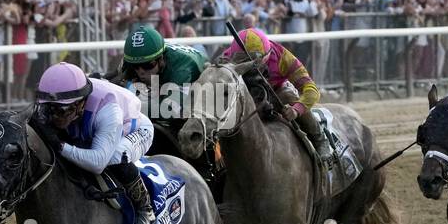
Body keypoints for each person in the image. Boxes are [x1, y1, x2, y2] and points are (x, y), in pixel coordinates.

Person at [32, 62, 156, 224]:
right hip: (93, 127)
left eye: (61, 110)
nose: (54, 117)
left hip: (135, 130)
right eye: (49, 108)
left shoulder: (109, 111)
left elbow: (98, 162)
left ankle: (145, 207)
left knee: (114, 157)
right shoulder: (56, 101)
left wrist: (60, 146)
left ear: (80, 103)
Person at [222, 27, 332, 162]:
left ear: (268, 54)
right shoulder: (225, 60)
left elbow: (311, 89)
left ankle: (319, 138)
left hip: (275, 93)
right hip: (244, 96)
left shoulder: (283, 57)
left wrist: (296, 110)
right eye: (243, 62)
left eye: (255, 62)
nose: (250, 66)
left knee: (289, 95)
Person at [119, 24, 207, 127]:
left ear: (161, 59)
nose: (141, 72)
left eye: (147, 65)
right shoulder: (135, 56)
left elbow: (169, 111)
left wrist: (130, 105)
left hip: (201, 88)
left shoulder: (181, 69)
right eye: (135, 66)